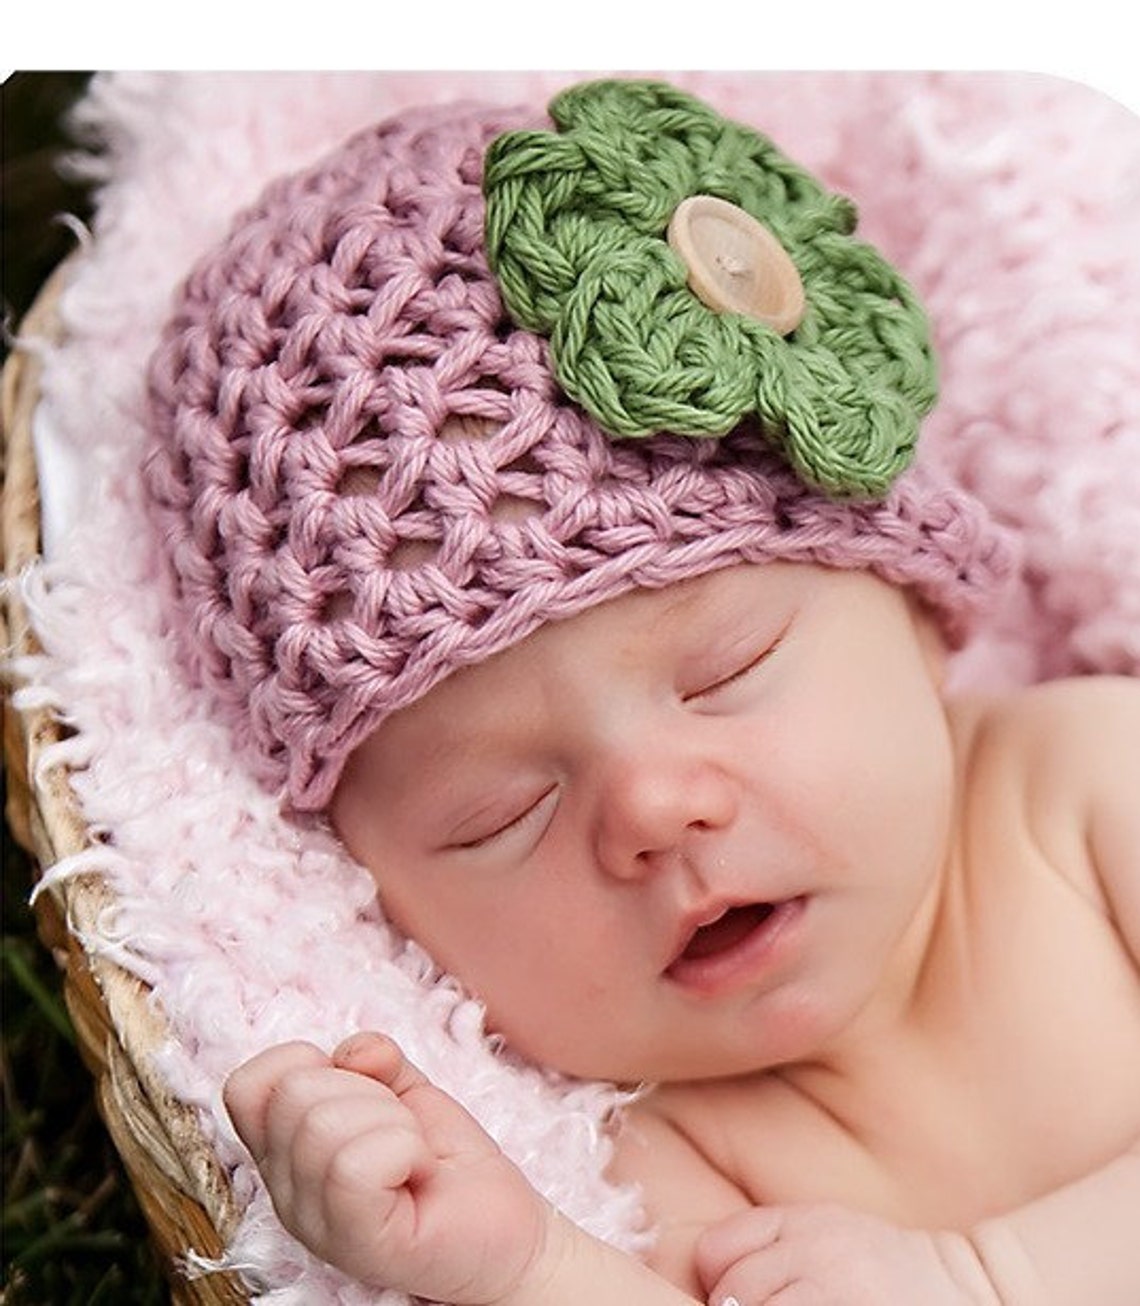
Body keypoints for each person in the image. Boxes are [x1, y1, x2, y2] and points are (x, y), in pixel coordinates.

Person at [142, 79, 1140, 1304]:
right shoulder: (673, 1149)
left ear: (918, 615)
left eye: (727, 672)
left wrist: (992, 1275)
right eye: (499, 814)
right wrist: (527, 1263)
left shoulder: (1087, 788)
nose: (653, 807)